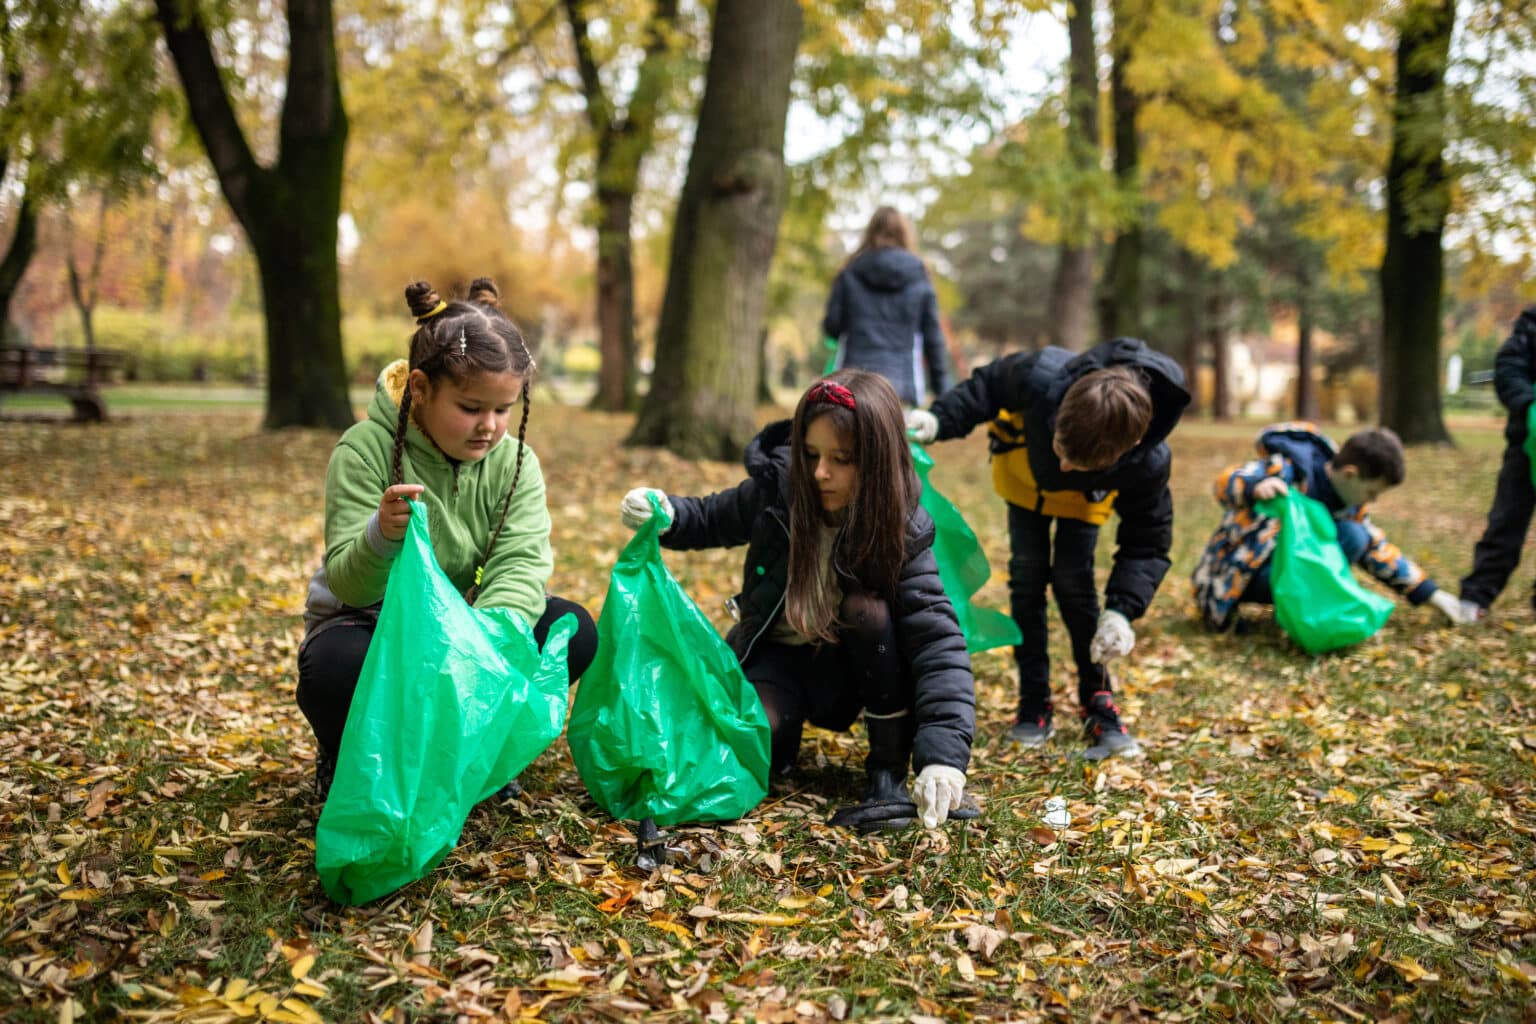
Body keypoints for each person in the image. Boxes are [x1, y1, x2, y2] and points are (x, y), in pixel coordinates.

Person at [618, 370, 976, 831]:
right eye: (810, 454)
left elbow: (938, 644)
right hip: (781, 658)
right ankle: (779, 748)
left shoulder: (900, 527)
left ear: (876, 463)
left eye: (841, 459)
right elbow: (711, 517)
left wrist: (943, 757)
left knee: (867, 611)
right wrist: (667, 514)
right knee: (756, 736)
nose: (819, 473)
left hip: (860, 668)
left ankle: (885, 768)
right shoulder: (779, 491)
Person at [297, 278, 598, 800]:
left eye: (503, 410)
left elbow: (520, 564)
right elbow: (348, 579)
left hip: (474, 621)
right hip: (376, 622)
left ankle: (475, 752)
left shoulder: (516, 463)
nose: (490, 426)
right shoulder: (363, 450)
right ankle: (351, 757)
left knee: (571, 631)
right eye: (471, 408)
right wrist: (379, 537)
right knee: (333, 668)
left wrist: (478, 643)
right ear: (420, 388)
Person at [905, 338, 1191, 760]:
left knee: (1075, 585)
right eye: (1061, 448)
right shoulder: (1042, 376)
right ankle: (1033, 702)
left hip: (1085, 502)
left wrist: (1122, 612)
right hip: (1026, 486)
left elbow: (1147, 541)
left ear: (1127, 449)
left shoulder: (1146, 462)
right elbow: (986, 388)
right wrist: (937, 419)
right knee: (1027, 579)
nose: (1064, 465)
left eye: (1076, 462)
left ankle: (1098, 700)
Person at [1191, 422, 1474, 631]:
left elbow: (1377, 549)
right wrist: (1255, 487)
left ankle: (1307, 614)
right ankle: (1275, 610)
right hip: (1243, 574)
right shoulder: (1288, 469)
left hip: (1290, 573)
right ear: (1351, 475)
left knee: (1356, 536)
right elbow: (1224, 483)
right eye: (1371, 492)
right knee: (1347, 536)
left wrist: (1430, 593)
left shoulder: (1348, 507)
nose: (1371, 501)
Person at [822, 206, 949, 406]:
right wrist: (944, 394)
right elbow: (933, 340)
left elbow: (832, 327)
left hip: (852, 385)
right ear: (904, 235)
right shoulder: (920, 275)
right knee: (894, 437)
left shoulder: (849, 272)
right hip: (900, 387)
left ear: (870, 233)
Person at [1458, 306, 1536, 622]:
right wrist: (1528, 404)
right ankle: (1476, 597)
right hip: (1527, 444)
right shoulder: (1530, 328)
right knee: (1507, 522)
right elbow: (1508, 370)